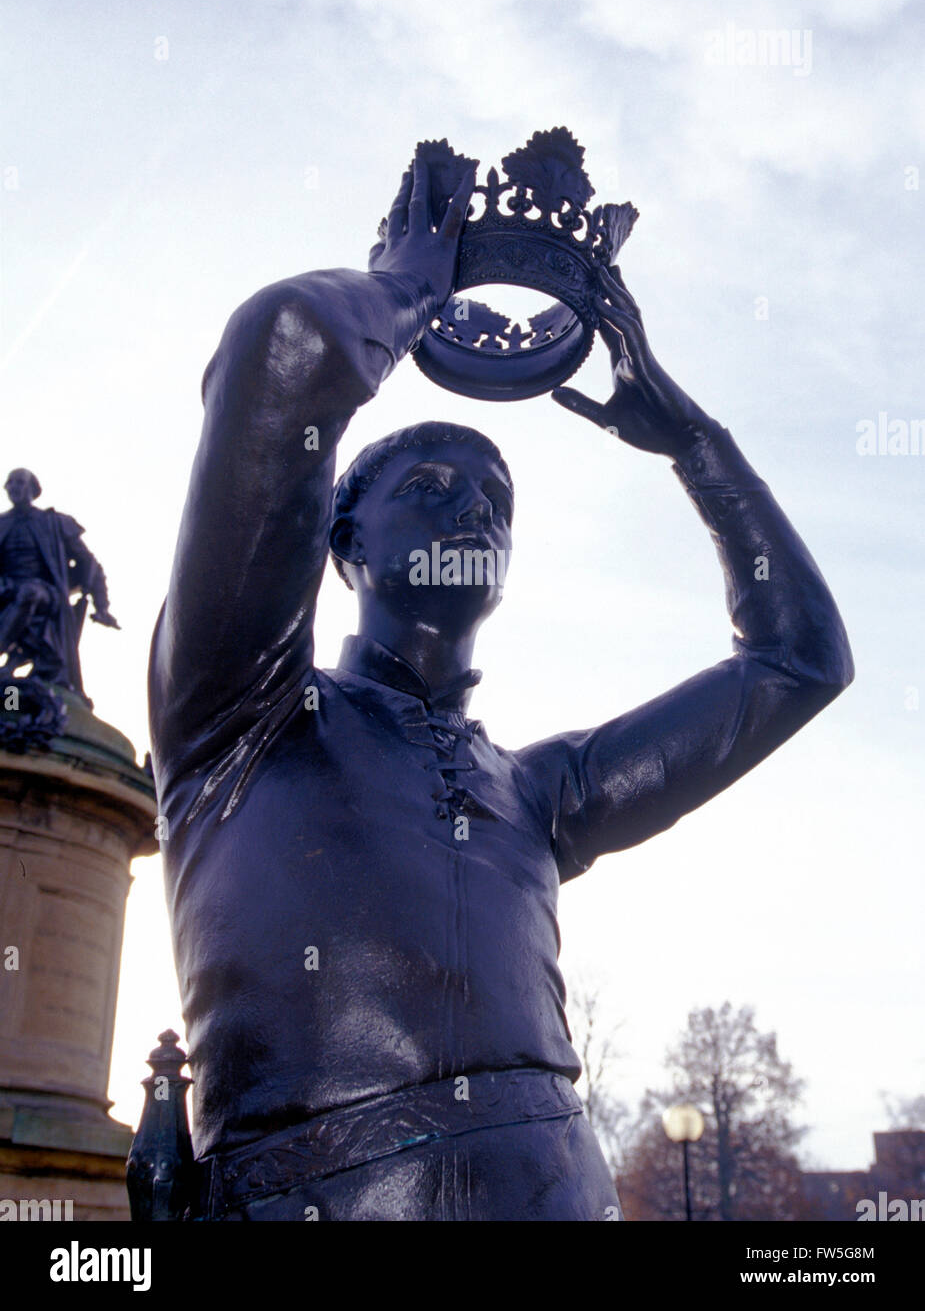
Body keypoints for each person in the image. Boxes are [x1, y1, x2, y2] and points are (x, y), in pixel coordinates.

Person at [148, 156, 853, 1220]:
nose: (471, 510)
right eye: (428, 489)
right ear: (341, 544)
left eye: (493, 499)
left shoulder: (537, 792)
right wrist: (404, 289)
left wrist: (697, 447)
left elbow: (800, 662)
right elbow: (284, 345)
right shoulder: (241, 714)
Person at [0, 468, 119, 697]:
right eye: (10, 483)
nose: (14, 487)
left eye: (20, 482)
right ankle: (11, 672)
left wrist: (101, 606)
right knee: (19, 593)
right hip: (7, 586)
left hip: (44, 591)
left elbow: (88, 563)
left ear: (33, 489)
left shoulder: (52, 522)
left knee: (28, 593)